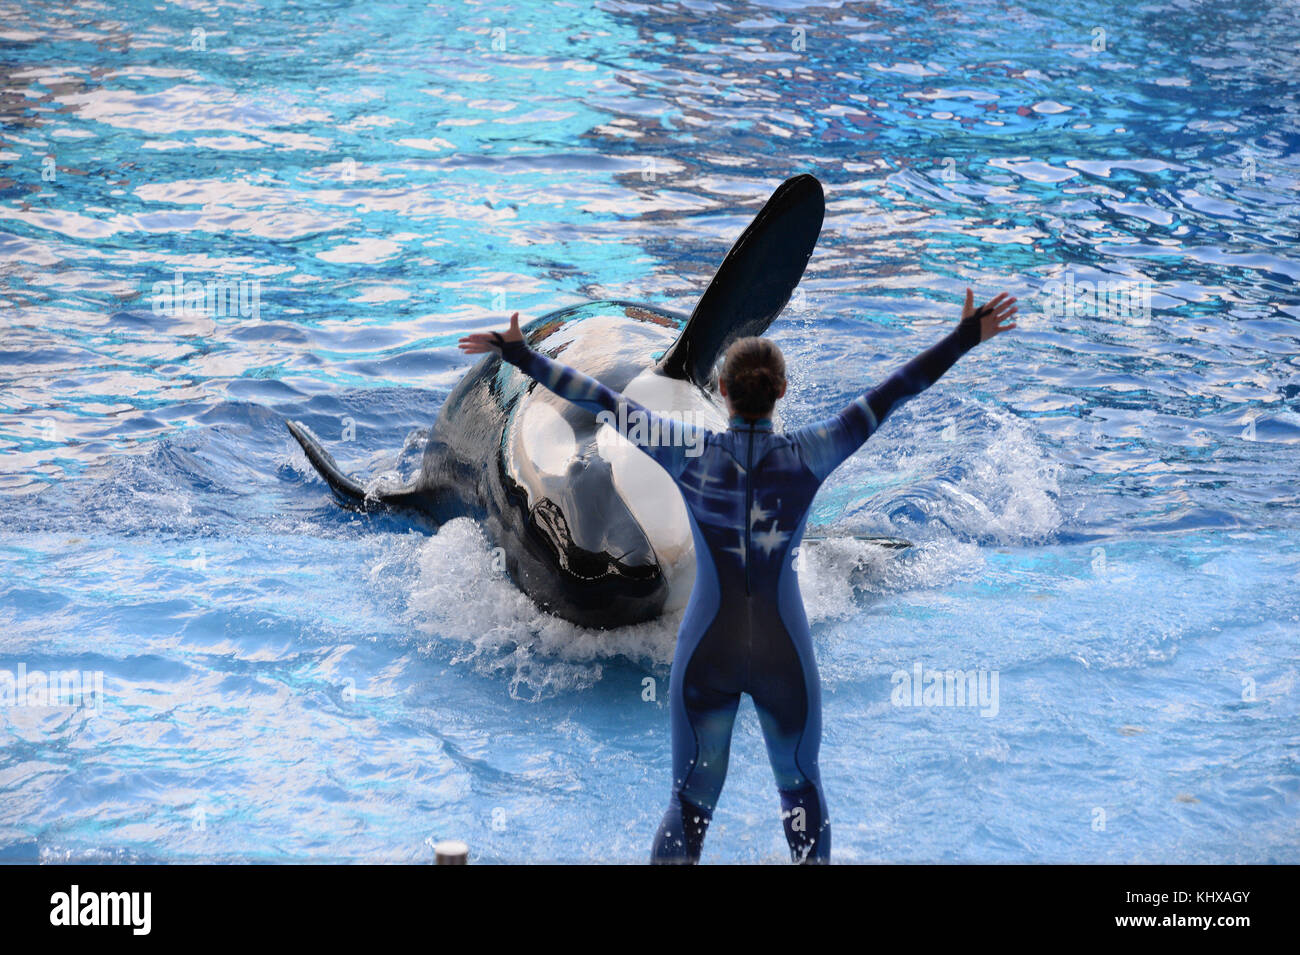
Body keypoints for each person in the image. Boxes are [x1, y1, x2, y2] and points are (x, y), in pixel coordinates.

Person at [459, 288, 1018, 863]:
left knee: (689, 805)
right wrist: (963, 337)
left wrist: (522, 356)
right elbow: (897, 390)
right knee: (800, 789)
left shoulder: (687, 452)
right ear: (782, 392)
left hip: (707, 651)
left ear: (720, 392)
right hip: (784, 655)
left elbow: (599, 399)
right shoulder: (814, 453)